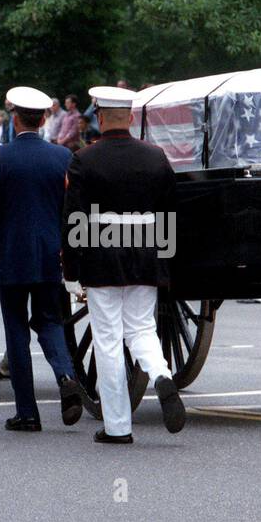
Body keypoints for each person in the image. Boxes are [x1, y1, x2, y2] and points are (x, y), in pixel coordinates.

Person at [62, 86, 185, 444]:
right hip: (146, 251)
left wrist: (71, 272)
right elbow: (170, 213)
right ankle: (161, 376)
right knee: (142, 329)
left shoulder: (84, 159)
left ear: (99, 118)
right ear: (130, 118)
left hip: (101, 254)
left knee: (108, 341)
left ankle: (118, 426)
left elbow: (73, 220)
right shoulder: (156, 156)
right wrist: (165, 260)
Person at [0, 86, 83, 432]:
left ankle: (27, 412)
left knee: (17, 330)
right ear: (44, 117)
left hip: (12, 256)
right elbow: (71, 213)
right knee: (49, 322)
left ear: (15, 117)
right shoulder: (62, 157)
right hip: (50, 255)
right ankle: (66, 376)